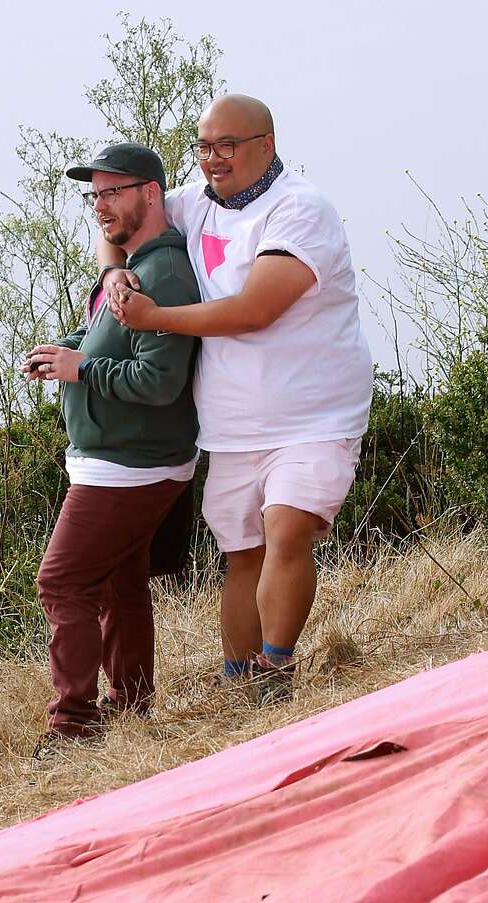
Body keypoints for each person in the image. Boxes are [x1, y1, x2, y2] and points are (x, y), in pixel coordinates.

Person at [103, 95, 374, 701]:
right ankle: (240, 681)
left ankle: (277, 670)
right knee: (242, 548)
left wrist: (156, 317)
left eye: (226, 146)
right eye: (202, 147)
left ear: (265, 145)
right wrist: (113, 271)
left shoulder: (301, 209)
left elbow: (256, 309)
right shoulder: (192, 203)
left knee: (286, 527)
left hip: (315, 411)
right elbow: (123, 221)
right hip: (232, 421)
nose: (211, 159)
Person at [23, 141, 200, 751]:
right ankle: (131, 705)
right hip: (118, 460)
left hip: (130, 466)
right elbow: (111, 339)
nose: (100, 206)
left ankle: (73, 721)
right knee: (122, 582)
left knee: (63, 583)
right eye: (93, 194)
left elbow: (159, 381)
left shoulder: (164, 275)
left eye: (112, 192)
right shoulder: (129, 267)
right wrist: (71, 348)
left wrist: (81, 370)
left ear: (150, 193)